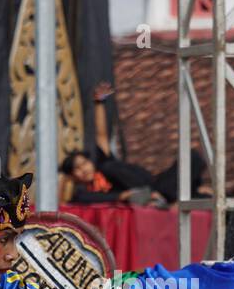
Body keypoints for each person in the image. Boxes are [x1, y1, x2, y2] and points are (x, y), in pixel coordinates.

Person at [60, 81, 210, 206]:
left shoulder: (102, 165)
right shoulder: (87, 192)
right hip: (146, 195)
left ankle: (186, 191)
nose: (83, 169)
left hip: (157, 185)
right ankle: (179, 195)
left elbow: (101, 136)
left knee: (192, 157)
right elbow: (71, 200)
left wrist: (99, 102)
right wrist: (122, 196)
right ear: (72, 177)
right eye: (77, 170)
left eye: (83, 163)